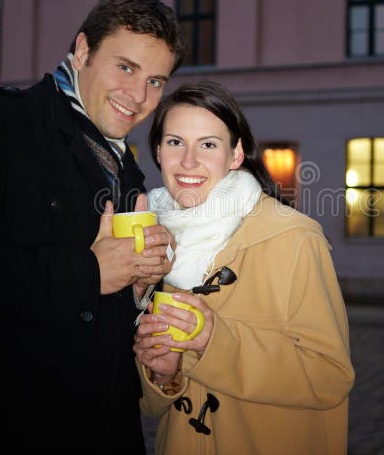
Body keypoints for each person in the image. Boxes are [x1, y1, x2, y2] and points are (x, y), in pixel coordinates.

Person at [0, 0, 184, 453]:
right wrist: (89, 273)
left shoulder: (126, 167)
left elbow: (103, 312)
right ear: (83, 51)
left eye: (155, 80)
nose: (139, 96)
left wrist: (140, 284)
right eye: (125, 67)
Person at [133, 82, 355, 454]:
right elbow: (150, 405)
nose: (188, 161)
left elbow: (330, 376)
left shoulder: (295, 239)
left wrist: (213, 342)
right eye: (175, 142)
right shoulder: (160, 242)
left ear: (235, 154)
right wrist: (164, 373)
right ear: (158, 151)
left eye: (208, 144)